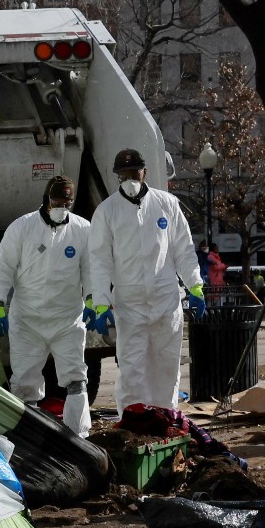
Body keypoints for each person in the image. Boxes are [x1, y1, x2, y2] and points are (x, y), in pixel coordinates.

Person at [87, 148, 203, 413]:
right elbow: (100, 260)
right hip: (129, 303)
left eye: (134, 172)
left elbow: (183, 248)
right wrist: (102, 301)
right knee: (132, 367)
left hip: (166, 298)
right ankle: (134, 422)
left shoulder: (167, 204)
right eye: (124, 174)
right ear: (117, 177)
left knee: (167, 365)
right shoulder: (107, 211)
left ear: (145, 172)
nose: (130, 178)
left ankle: (166, 419)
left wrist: (194, 284)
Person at [0, 175, 93, 435]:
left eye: (66, 202)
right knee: (24, 383)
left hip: (67, 319)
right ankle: (28, 439)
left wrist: (94, 299)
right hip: (27, 320)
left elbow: (91, 268)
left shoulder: (82, 229)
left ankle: (78, 437)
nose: (61, 207)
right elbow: (3, 266)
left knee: (76, 379)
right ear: (46, 199)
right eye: (57, 201)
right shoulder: (22, 227)